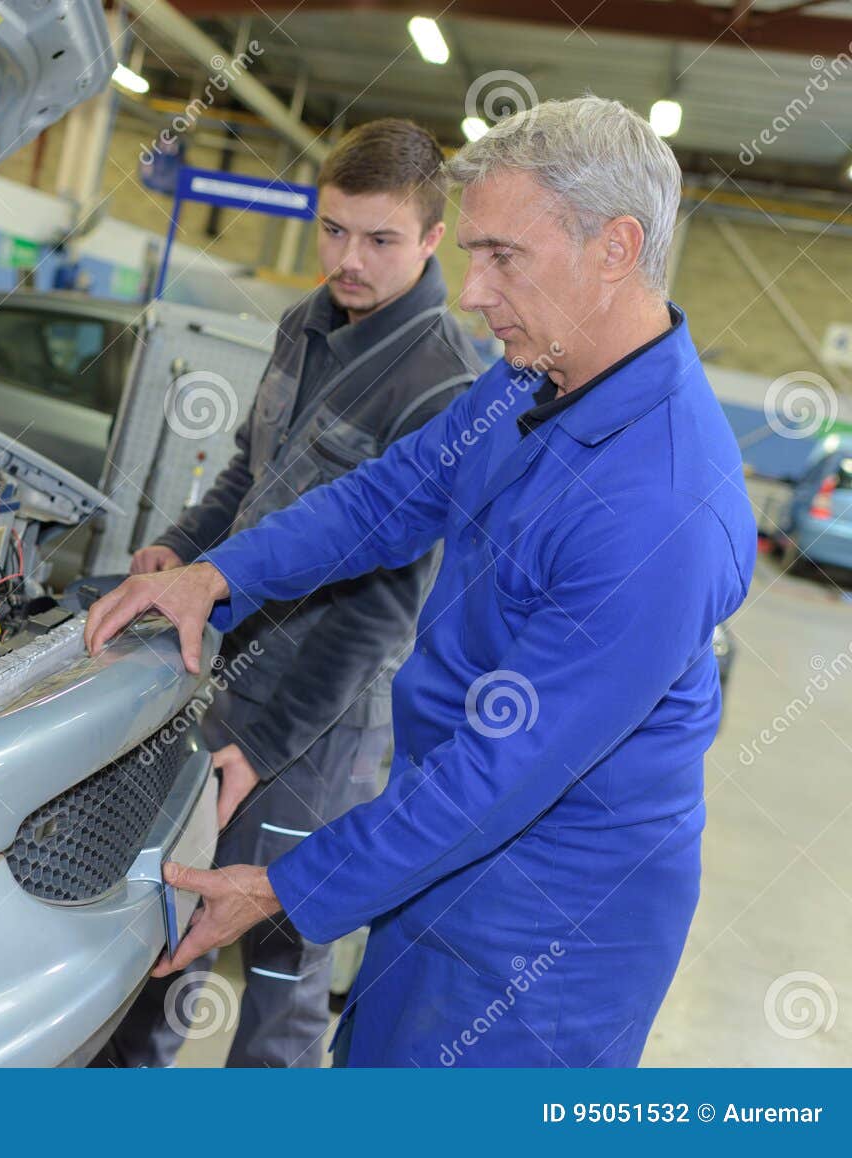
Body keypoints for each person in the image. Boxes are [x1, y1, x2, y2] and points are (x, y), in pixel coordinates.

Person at [85, 96, 755, 1067]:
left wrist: (283, 886)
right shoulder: (533, 380)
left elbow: (505, 769)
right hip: (440, 857)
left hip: (543, 933)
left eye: (501, 257)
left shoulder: (664, 507)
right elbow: (383, 498)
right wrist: (216, 573)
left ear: (615, 247)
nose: (471, 293)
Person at [97, 118, 480, 1068]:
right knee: (173, 913)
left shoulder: (444, 384)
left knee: (279, 967)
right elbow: (247, 474)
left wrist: (258, 746)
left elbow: (379, 613)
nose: (349, 260)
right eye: (334, 230)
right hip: (225, 678)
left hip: (323, 725)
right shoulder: (304, 321)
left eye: (381, 239)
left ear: (433, 239)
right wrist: (179, 551)